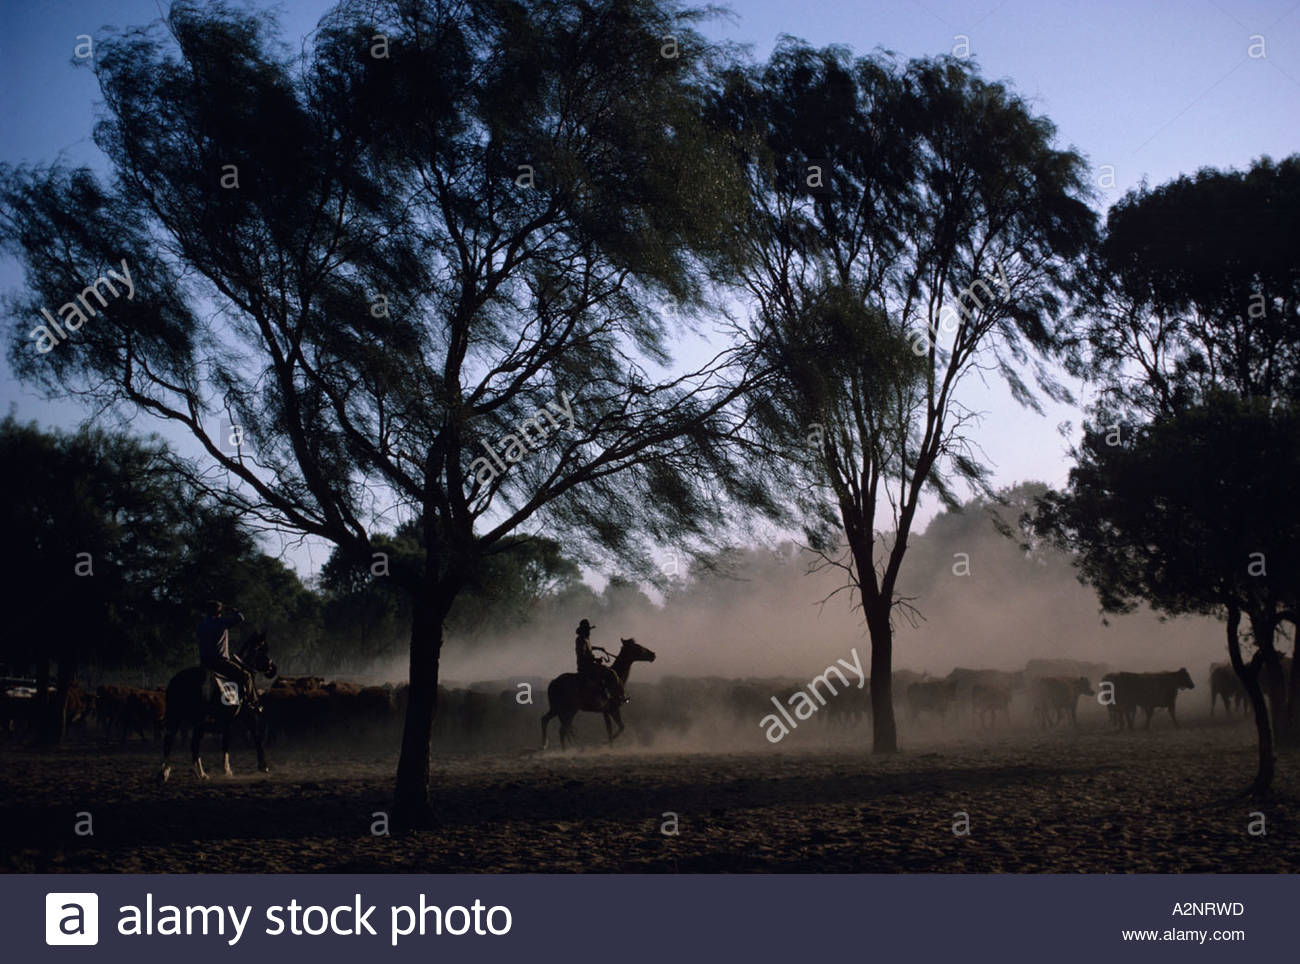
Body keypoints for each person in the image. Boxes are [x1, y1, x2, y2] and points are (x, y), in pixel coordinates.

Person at [197, 600, 257, 709]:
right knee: (246, 676)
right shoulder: (221, 622)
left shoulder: (201, 625)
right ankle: (251, 703)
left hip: (204, 662)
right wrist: (234, 611)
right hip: (219, 662)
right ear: (218, 612)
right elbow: (240, 617)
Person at [574, 618, 625, 704]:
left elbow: (588, 648)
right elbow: (582, 654)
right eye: (588, 630)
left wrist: (598, 648)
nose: (590, 632)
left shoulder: (585, 639)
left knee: (606, 671)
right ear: (584, 630)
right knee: (608, 672)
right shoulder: (580, 639)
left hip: (589, 664)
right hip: (585, 665)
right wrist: (595, 659)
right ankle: (606, 694)